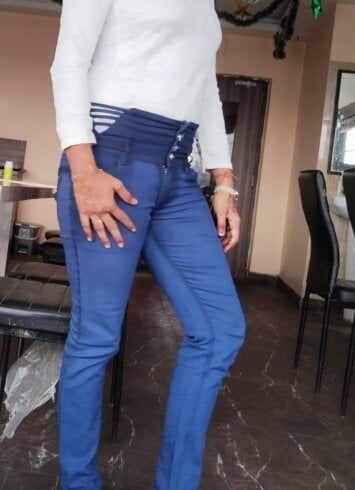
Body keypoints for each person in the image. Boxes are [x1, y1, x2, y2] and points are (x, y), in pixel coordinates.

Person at [50, 1, 245, 489]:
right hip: (110, 160)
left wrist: (223, 180)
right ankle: (78, 482)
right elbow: (69, 60)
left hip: (177, 173)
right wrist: (83, 171)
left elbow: (204, 87)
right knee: (97, 336)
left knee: (221, 330)